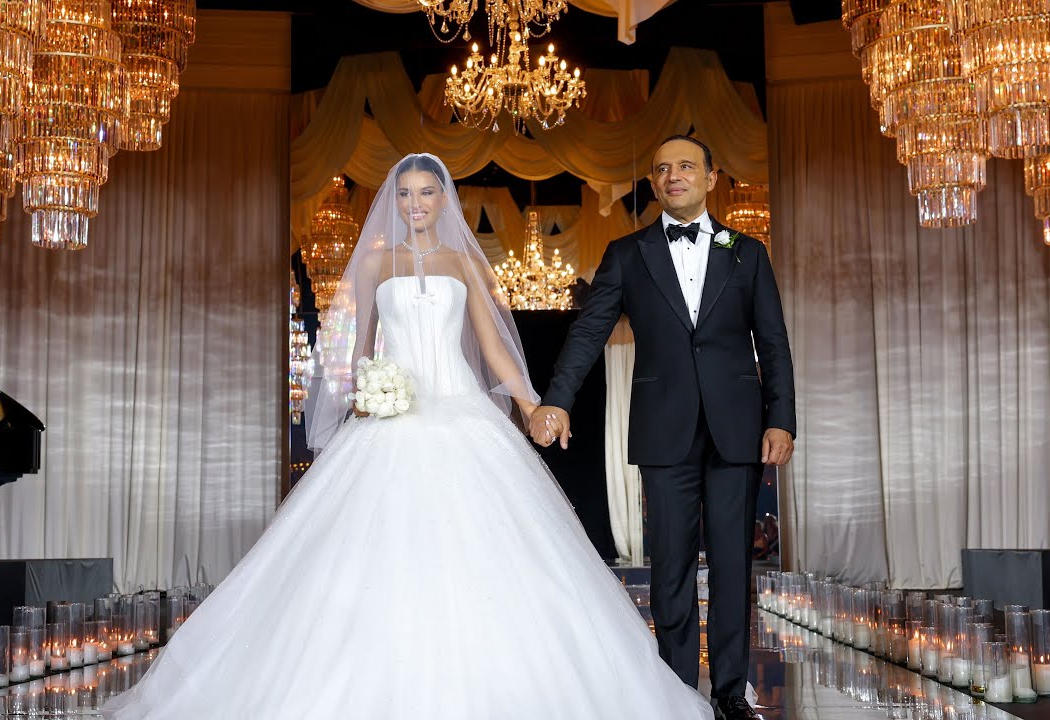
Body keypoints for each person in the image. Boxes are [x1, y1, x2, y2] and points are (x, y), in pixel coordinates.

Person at [99, 154, 713, 719]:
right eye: (405, 193)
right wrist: (362, 392)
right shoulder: (372, 263)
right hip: (390, 421)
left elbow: (493, 346)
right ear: (393, 200)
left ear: (444, 199)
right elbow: (362, 344)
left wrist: (531, 403)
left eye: (427, 192)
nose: (416, 202)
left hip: (461, 414)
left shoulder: (464, 263)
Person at [529, 136, 796, 720]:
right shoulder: (629, 253)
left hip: (738, 428)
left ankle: (730, 693)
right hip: (663, 427)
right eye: (662, 169)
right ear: (653, 185)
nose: (674, 175)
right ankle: (675, 691)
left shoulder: (747, 253)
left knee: (732, 562)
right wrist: (557, 400)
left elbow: (772, 344)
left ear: (711, 176)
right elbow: (588, 333)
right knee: (670, 565)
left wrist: (782, 418)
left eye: (685, 166)